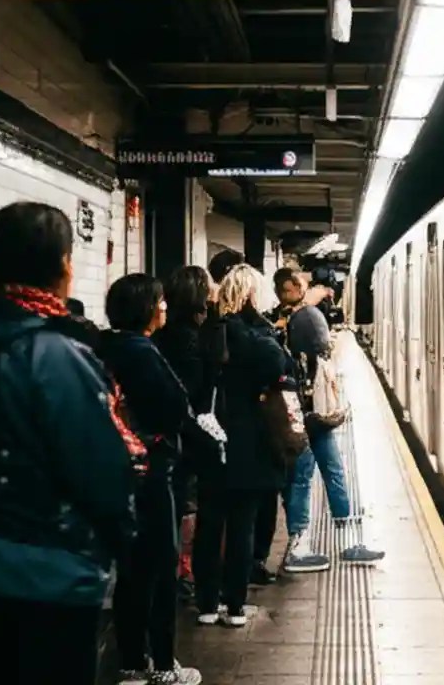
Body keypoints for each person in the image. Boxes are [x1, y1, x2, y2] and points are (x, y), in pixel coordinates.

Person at [0, 201, 137, 684]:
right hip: (46, 577)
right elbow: (101, 472)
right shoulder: (53, 353)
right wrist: (120, 540)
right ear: (63, 266)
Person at [98, 274, 204, 685]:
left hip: (121, 472)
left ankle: (130, 661)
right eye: (159, 302)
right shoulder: (141, 350)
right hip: (152, 470)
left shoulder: (107, 347)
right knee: (160, 567)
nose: (164, 308)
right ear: (145, 308)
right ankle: (162, 664)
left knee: (131, 570)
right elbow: (174, 406)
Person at [192, 264, 293, 627]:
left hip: (209, 439)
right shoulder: (257, 336)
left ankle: (206, 604)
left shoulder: (206, 332)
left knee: (209, 524)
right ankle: (234, 605)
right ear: (252, 295)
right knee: (241, 526)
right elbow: (281, 368)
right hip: (249, 442)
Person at [274, 268, 385, 573]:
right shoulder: (305, 318)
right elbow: (324, 348)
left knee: (305, 477)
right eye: (300, 284)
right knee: (325, 473)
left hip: (302, 413)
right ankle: (343, 543)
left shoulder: (281, 322)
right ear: (292, 288)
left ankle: (301, 543)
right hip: (312, 414)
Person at [153, 266, 228, 599]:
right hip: (190, 435)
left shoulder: (164, 334)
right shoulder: (191, 338)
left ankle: (178, 572)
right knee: (191, 505)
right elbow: (197, 389)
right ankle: (184, 574)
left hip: (173, 434)